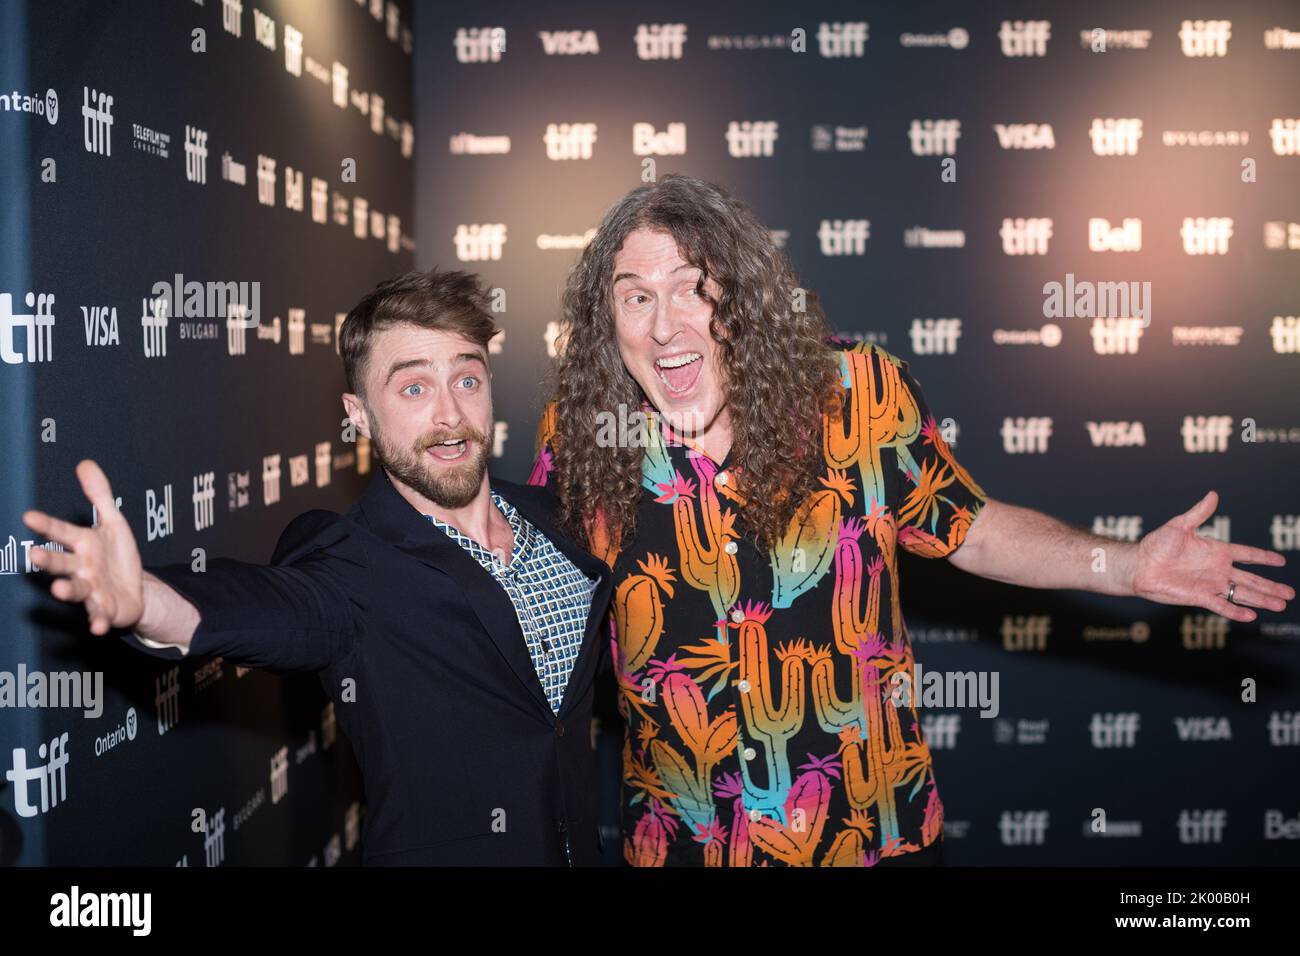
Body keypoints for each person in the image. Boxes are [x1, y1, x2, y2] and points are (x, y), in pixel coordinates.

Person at [529, 174, 1294, 867]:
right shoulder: (577, 437)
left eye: (692, 288)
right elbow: (535, 616)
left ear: (745, 296)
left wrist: (1125, 566)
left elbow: (973, 527)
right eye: (635, 297)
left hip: (872, 835)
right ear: (609, 321)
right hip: (681, 848)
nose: (664, 327)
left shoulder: (857, 392)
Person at [22, 269, 614, 866]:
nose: (449, 413)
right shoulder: (350, 562)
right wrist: (149, 601)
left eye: (466, 377)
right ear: (358, 415)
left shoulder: (558, 520)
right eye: (413, 389)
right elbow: (278, 606)